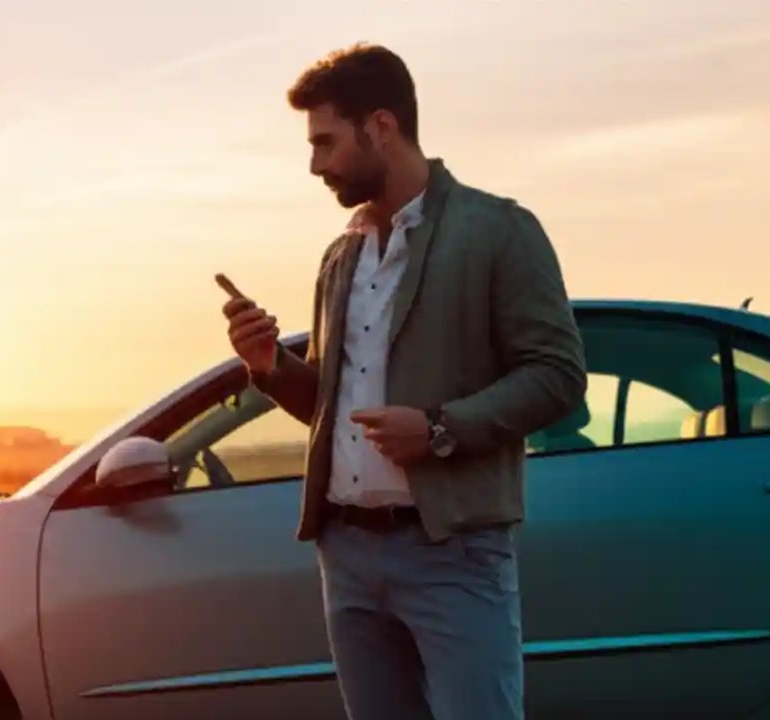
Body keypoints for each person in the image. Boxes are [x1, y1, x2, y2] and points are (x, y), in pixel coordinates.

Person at [221, 43, 586, 720]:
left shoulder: (498, 230)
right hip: (347, 553)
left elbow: (559, 376)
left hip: (452, 547)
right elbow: (336, 410)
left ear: (381, 127)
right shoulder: (341, 255)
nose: (315, 164)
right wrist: (271, 368)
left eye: (326, 141)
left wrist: (440, 429)